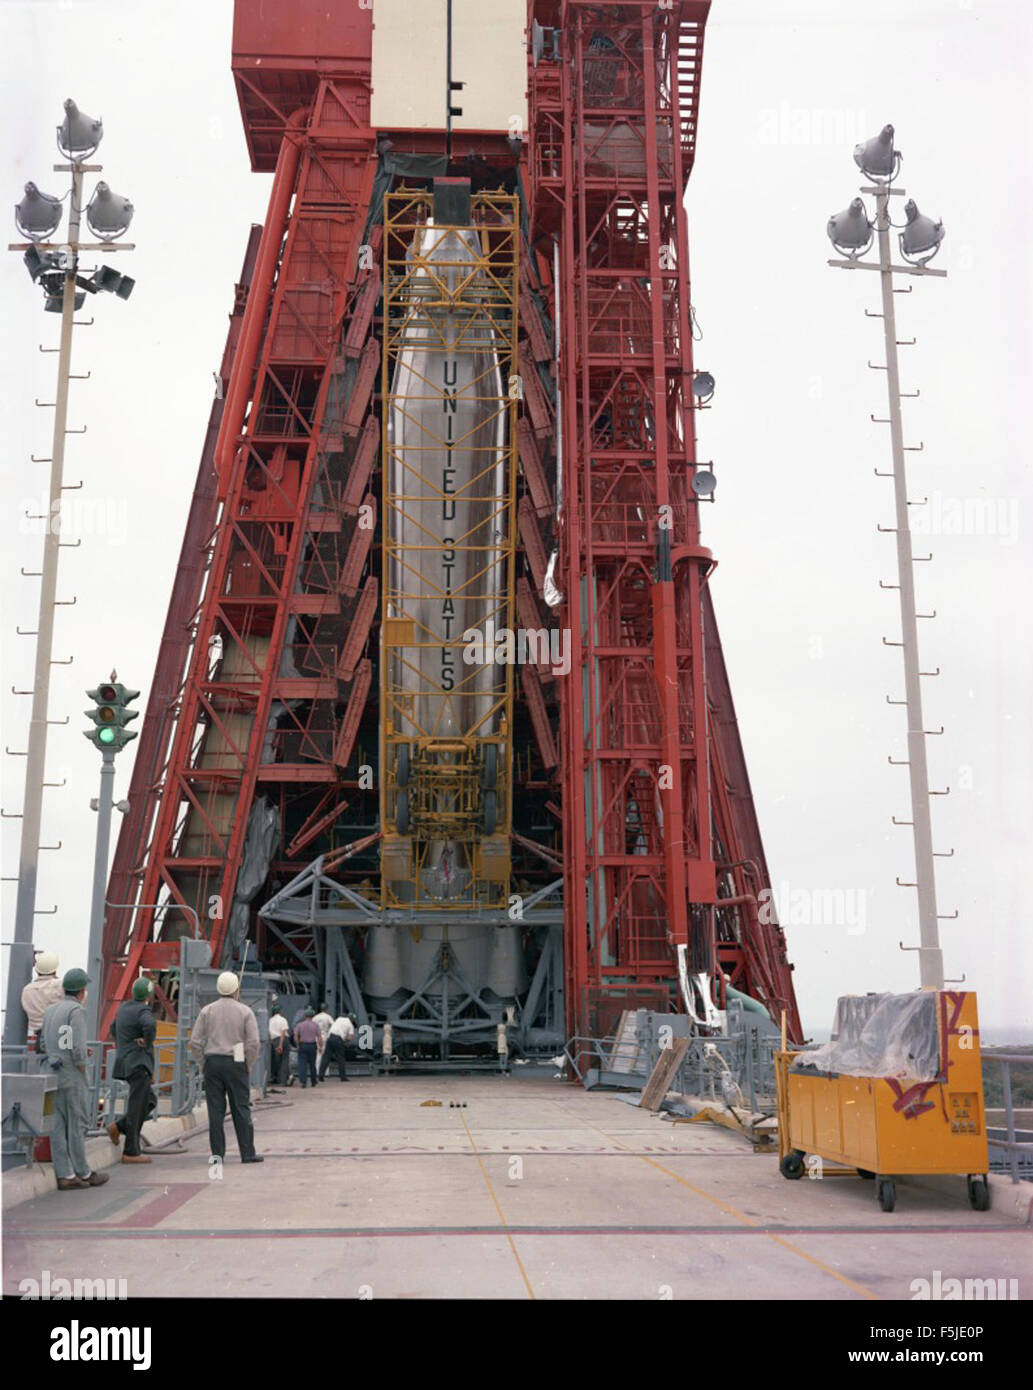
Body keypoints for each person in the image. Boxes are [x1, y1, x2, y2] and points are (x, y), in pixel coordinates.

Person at [39, 969, 110, 1190]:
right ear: (81, 991)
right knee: (77, 1123)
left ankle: (65, 1174)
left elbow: (44, 1043)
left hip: (50, 1073)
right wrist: (81, 1065)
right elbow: (77, 1048)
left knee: (57, 1125)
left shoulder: (51, 1010)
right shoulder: (77, 1011)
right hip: (71, 1074)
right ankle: (84, 1171)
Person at [188, 971, 263, 1163]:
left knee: (216, 1111)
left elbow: (195, 1042)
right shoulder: (245, 1011)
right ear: (236, 989)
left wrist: (203, 1063)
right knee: (241, 1108)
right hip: (236, 1059)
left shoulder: (207, 1011)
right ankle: (247, 1153)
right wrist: (248, 1063)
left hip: (212, 1062)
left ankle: (217, 1156)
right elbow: (253, 1043)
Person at [107, 978, 157, 1163]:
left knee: (150, 1100)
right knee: (137, 1107)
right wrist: (147, 1041)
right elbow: (150, 1025)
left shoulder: (124, 1008)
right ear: (149, 995)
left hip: (125, 1062)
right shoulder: (143, 1010)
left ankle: (118, 1126)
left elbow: (113, 1028)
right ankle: (131, 1152)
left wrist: (124, 1044)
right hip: (138, 1064)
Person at [21, 950, 64, 1047]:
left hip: (40, 1039)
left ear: (36, 970)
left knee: (41, 1061)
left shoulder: (27, 990)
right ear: (55, 969)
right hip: (61, 1035)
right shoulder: (60, 985)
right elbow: (80, 999)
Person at [318, 1013, 355, 1082]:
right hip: (338, 1040)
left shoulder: (339, 1018)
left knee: (326, 1057)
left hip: (330, 1038)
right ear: (352, 1020)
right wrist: (345, 1041)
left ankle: (321, 1075)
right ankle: (343, 1077)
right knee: (341, 1058)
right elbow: (350, 1037)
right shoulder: (350, 1025)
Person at [293, 1007, 321, 1088]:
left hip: (303, 1045)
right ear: (312, 1016)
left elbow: (295, 1036)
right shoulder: (315, 1025)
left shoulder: (299, 1025)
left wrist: (298, 1045)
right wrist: (320, 1047)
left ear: (305, 1016)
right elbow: (319, 1037)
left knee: (302, 1064)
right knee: (312, 1064)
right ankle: (313, 1081)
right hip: (312, 1045)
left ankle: (303, 1082)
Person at [268, 1004, 290, 1086]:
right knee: (284, 1060)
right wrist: (280, 1045)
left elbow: (268, 1033)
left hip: (274, 1041)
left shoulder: (270, 1020)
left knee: (276, 1061)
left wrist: (273, 1043)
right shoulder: (283, 1019)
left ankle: (276, 1078)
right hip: (283, 1040)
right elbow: (283, 1032)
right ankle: (283, 1080)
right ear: (280, 1011)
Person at [312, 1002, 333, 1069]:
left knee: (318, 1054)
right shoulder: (328, 1017)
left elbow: (311, 1026)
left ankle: (317, 1070)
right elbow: (333, 1025)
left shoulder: (315, 1017)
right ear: (326, 1009)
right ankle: (325, 1072)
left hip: (316, 1037)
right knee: (325, 1055)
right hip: (325, 1036)